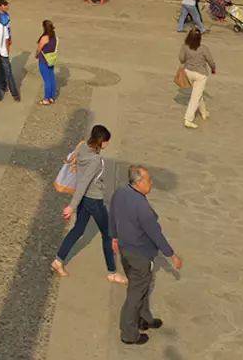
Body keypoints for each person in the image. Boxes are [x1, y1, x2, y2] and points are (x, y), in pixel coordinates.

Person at [108, 165, 180, 347]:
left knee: (141, 287)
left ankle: (144, 318)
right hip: (140, 254)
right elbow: (155, 233)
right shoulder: (142, 207)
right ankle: (129, 333)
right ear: (139, 182)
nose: (151, 183)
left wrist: (114, 236)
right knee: (135, 293)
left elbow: (112, 215)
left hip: (125, 250)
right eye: (148, 180)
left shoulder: (120, 193)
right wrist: (171, 255)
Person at [51, 124, 123, 283]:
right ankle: (112, 272)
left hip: (85, 198)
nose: (108, 144)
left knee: (78, 230)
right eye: (107, 141)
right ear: (102, 141)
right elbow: (84, 183)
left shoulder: (83, 146)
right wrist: (71, 206)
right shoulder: (95, 160)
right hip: (93, 199)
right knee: (108, 233)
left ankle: (58, 260)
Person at [179, 27, 215, 128]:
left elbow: (181, 59)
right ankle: (188, 119)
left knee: (197, 93)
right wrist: (213, 69)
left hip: (188, 72)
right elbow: (210, 61)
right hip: (200, 74)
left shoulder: (184, 47)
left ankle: (203, 112)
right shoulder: (203, 49)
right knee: (195, 96)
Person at [35, 20, 59, 105]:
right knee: (52, 77)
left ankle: (46, 98)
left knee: (46, 80)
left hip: (44, 60)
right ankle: (52, 97)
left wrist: (36, 55)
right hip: (51, 59)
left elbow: (39, 49)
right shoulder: (54, 37)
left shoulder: (45, 37)